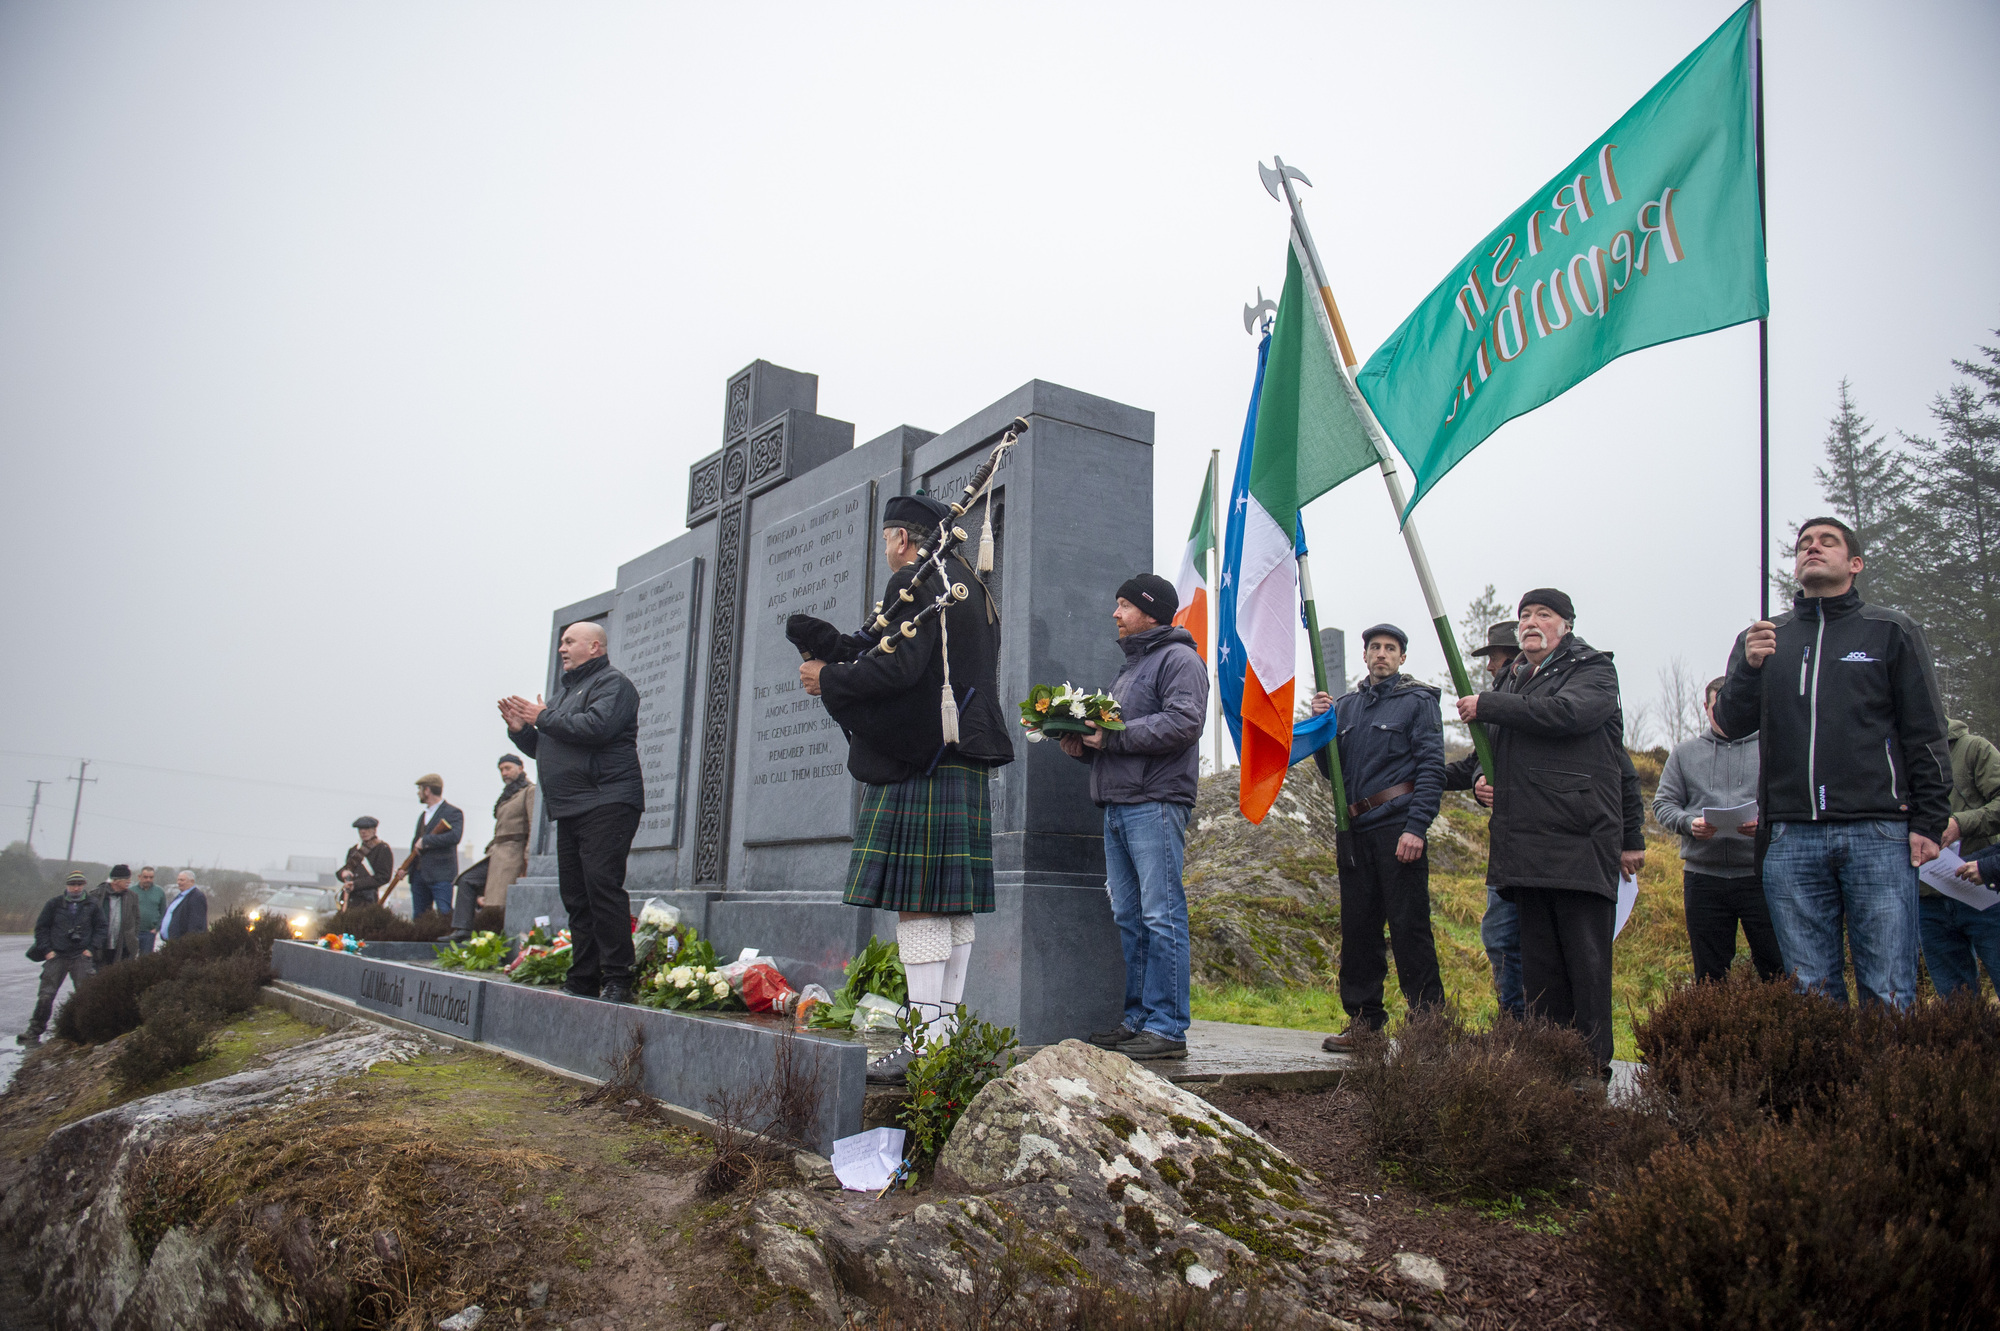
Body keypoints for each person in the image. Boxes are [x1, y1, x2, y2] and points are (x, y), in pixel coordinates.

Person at [793, 494, 1014, 1082]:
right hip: (962, 748)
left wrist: (830, 678)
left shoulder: (914, 582)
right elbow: (895, 650)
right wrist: (843, 649)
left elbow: (900, 670)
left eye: (887, 537)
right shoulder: (969, 582)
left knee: (919, 902)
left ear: (901, 538)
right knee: (953, 901)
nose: (885, 548)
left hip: (923, 758)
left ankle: (923, 1039)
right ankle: (943, 1033)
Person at [1715, 518, 1950, 1009]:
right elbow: (1730, 725)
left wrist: (1929, 819)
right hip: (1790, 836)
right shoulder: (1763, 637)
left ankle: (1887, 1088)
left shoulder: (1892, 631)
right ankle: (1827, 1087)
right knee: (1810, 994)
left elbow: (1925, 732)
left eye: (1827, 541)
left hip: (1879, 832)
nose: (1812, 548)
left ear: (1855, 564)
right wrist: (1748, 670)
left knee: (1888, 987)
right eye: (1804, 543)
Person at [1455, 590, 1633, 1076]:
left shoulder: (1592, 669)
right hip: (1526, 847)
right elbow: (1487, 756)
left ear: (1566, 625)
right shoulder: (1514, 677)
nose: (1531, 622)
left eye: (1543, 615)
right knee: (1539, 969)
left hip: (1578, 839)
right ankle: (1549, 1065)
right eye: (1525, 616)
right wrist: (1468, 779)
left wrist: (1489, 704)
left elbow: (1569, 714)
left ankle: (1591, 1066)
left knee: (1585, 964)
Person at [1059, 573, 1207, 1062]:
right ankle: (1140, 1019)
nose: (1115, 614)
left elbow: (1185, 723)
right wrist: (1085, 747)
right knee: (1130, 915)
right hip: (1120, 805)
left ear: (1150, 610)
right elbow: (1121, 739)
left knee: (1161, 915)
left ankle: (1168, 1027)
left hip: (1156, 804)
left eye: (1123, 604)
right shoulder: (1132, 669)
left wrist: (1113, 736)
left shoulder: (1179, 659)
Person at [1306, 624, 1446, 1052]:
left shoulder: (1418, 702)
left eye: (1390, 649)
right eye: (1375, 648)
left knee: (1409, 930)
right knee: (1359, 931)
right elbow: (1334, 772)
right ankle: (1365, 1025)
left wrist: (1416, 827)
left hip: (1397, 826)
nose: (1381, 654)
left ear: (1402, 658)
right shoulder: (1345, 707)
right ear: (1364, 656)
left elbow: (1431, 769)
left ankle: (1428, 1029)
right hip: (1353, 831)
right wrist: (1319, 725)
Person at [500, 621, 644, 1004]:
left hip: (607, 800)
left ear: (594, 647)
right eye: (561, 642)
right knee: (577, 897)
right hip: (572, 807)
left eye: (569, 642)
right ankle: (583, 976)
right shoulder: (563, 694)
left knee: (602, 888)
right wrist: (521, 730)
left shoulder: (614, 684)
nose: (562, 648)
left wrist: (541, 717)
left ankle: (618, 978)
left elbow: (596, 728)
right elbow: (551, 745)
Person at [1654, 677, 1782, 982]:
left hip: (1760, 876)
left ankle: (1777, 1028)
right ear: (1706, 707)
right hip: (1703, 879)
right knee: (1710, 976)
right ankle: (1715, 1029)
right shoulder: (1684, 753)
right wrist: (1689, 823)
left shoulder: (1772, 749)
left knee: (1777, 968)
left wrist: (1764, 824)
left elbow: (1789, 800)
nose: (1726, 714)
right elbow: (1663, 804)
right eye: (1718, 707)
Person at [1921, 718, 2000, 995]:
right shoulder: (1894, 758)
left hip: (1984, 892)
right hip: (1927, 902)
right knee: (1955, 1010)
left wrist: (1960, 824)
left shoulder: (1974, 749)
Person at [19, 872, 105, 1045]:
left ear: (84, 885)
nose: (76, 887)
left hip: (81, 956)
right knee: (46, 995)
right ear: (67, 885)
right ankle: (34, 1031)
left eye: (80, 884)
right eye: (73, 884)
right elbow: (41, 928)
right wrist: (47, 950)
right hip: (57, 955)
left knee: (87, 995)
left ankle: (88, 1033)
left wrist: (91, 949)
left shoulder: (93, 904)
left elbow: (101, 928)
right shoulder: (54, 904)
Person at [457, 754, 537, 931]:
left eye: (508, 768)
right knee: (466, 880)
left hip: (513, 853)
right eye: (501, 769)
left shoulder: (529, 791)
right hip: (496, 852)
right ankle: (462, 930)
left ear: (520, 768)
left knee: (498, 904)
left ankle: (496, 942)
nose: (504, 773)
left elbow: (533, 824)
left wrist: (528, 858)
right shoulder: (507, 796)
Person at [394, 776, 463, 918]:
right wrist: (406, 868)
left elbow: (454, 837)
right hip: (419, 876)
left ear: (427, 790)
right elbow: (416, 847)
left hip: (441, 875)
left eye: (419, 789)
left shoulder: (453, 812)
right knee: (420, 919)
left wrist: (426, 840)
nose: (418, 793)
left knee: (444, 914)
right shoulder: (423, 815)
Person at [338, 817, 395, 912]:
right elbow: (345, 869)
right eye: (360, 829)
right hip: (351, 899)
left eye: (367, 829)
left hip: (368, 899)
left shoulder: (382, 849)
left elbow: (383, 877)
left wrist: (356, 884)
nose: (363, 832)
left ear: (374, 830)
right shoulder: (354, 850)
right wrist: (343, 873)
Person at [89, 864, 142, 967]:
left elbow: (137, 919)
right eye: (126, 879)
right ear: (116, 880)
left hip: (123, 948)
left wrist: (132, 937)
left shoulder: (132, 897)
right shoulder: (96, 895)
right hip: (100, 948)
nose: (129, 881)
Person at [159, 870, 208, 940]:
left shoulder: (197, 897)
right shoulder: (180, 896)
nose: (179, 883)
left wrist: (188, 943)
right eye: (178, 880)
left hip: (182, 945)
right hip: (171, 942)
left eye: (182, 880)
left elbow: (196, 924)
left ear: (192, 881)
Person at [131, 866, 166, 954]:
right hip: (133, 932)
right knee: (129, 959)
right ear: (139, 877)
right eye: (145, 877)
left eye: (151, 877)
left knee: (146, 960)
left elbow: (163, 912)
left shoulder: (159, 892)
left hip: (149, 933)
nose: (148, 880)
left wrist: (157, 928)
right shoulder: (131, 891)